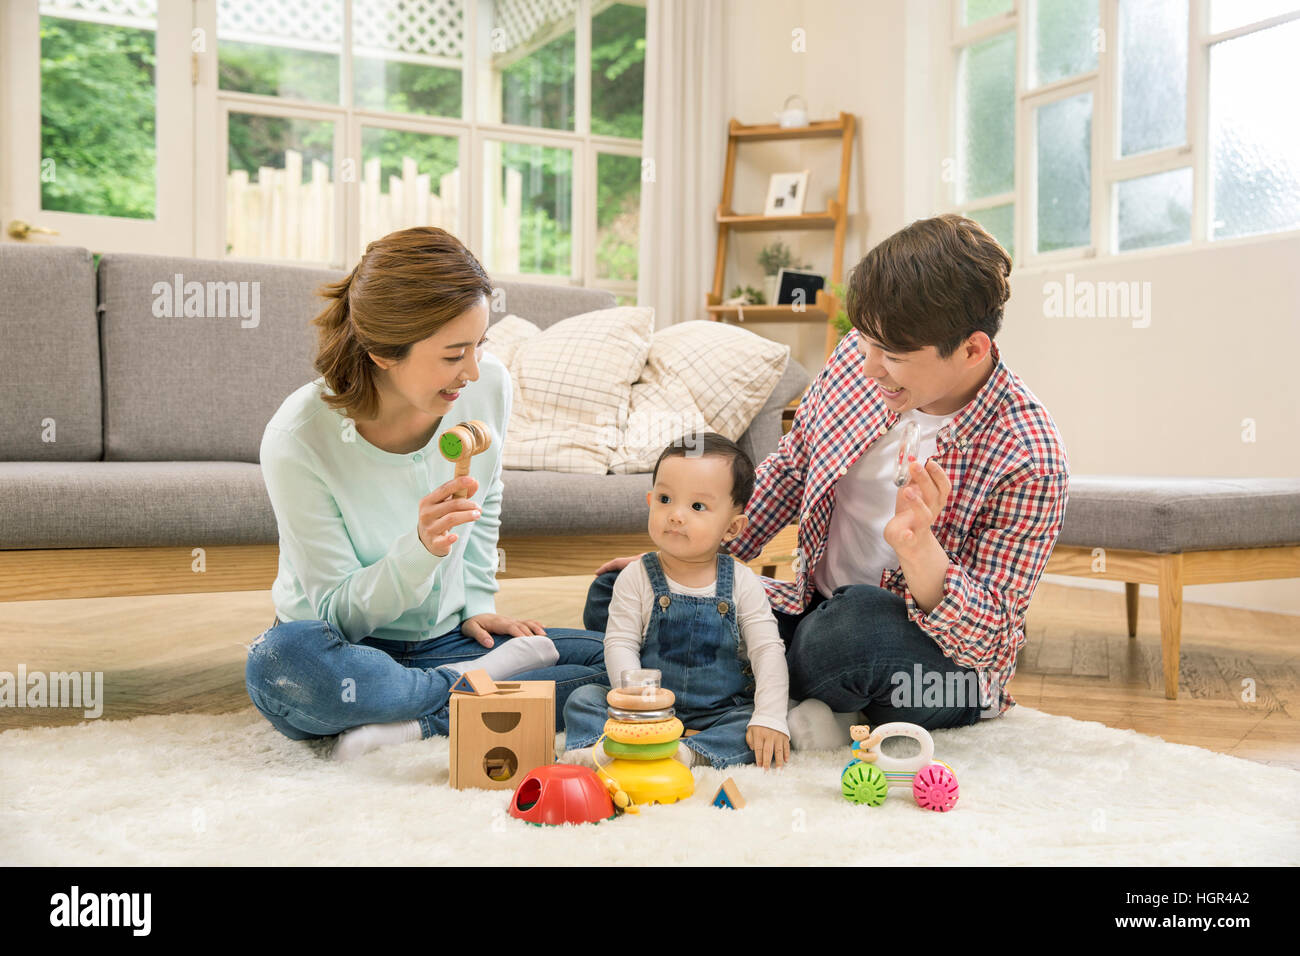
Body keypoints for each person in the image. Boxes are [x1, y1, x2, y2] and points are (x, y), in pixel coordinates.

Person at [586, 214, 1069, 746]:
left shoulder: (1029, 454)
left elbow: (990, 639)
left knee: (849, 628)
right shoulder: (856, 361)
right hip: (811, 609)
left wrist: (919, 547)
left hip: (934, 664)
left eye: (893, 356)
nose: (869, 368)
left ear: (972, 350)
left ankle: (737, 686)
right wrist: (686, 565)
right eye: (865, 341)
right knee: (623, 591)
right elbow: (791, 468)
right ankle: (772, 698)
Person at [245, 227, 606, 761]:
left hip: (449, 641)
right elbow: (334, 614)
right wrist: (419, 550)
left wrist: (477, 603)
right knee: (281, 666)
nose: (473, 371)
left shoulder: (485, 388)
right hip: (348, 651)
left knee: (623, 659)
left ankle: (419, 714)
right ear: (382, 352)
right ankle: (471, 690)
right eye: (454, 353)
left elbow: (486, 501)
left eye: (479, 345)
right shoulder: (299, 437)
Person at [562, 434, 791, 770]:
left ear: (732, 528)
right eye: (666, 499)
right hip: (647, 707)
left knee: (752, 726)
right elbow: (620, 642)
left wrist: (770, 715)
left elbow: (767, 650)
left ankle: (688, 753)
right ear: (650, 500)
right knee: (583, 699)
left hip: (720, 710)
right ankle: (598, 750)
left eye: (697, 507)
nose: (676, 516)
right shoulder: (636, 577)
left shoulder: (742, 582)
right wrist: (637, 702)